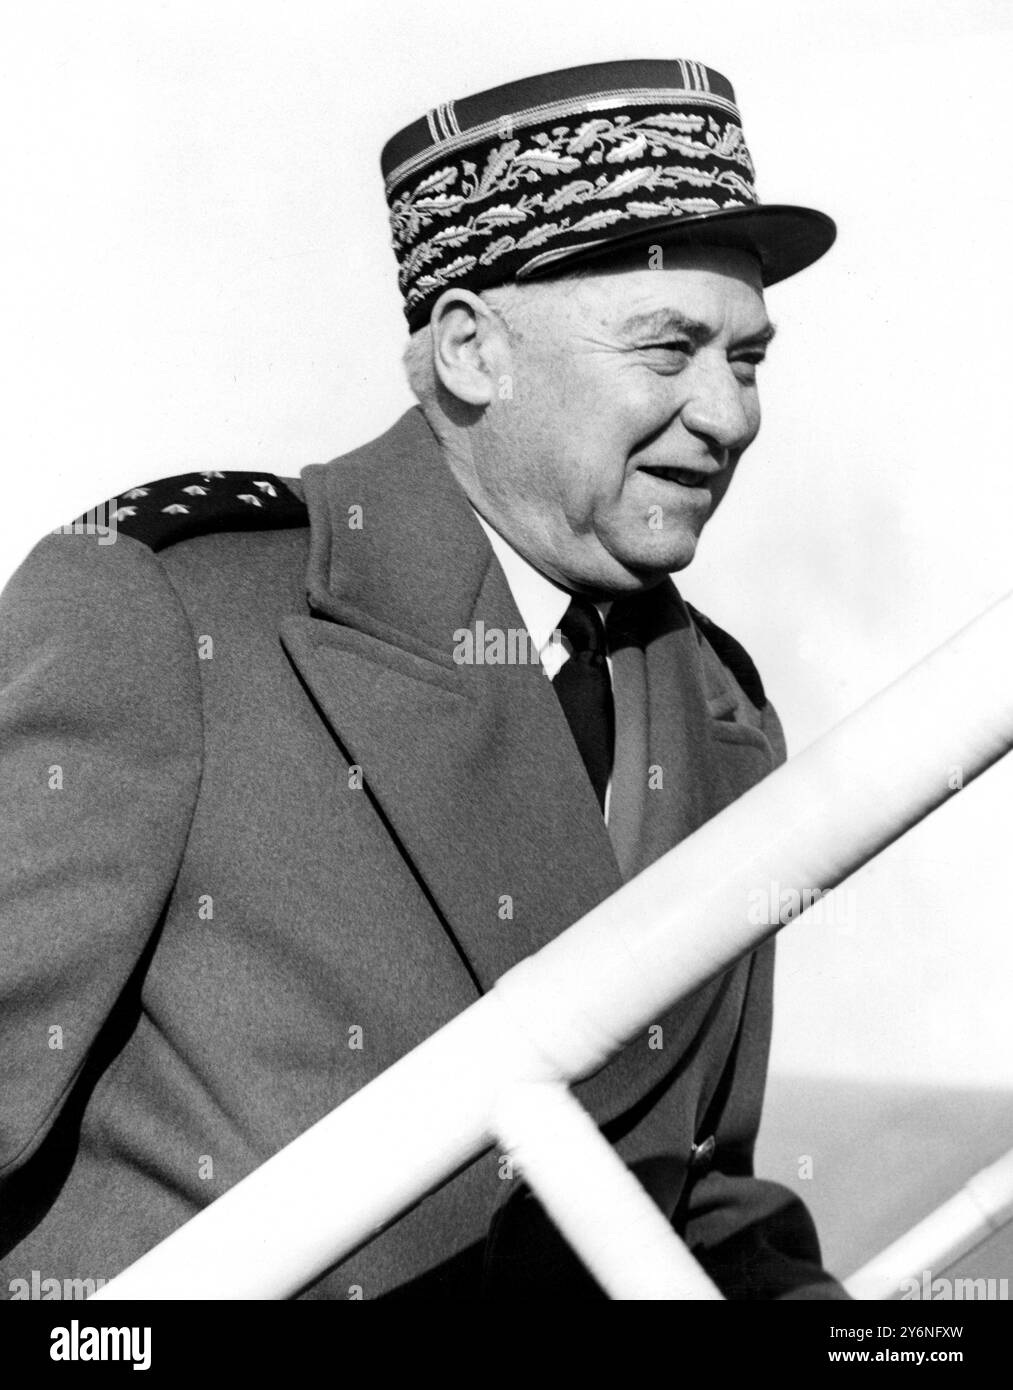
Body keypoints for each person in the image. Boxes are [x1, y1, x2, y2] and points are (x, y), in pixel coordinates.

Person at [0, 58, 847, 1300]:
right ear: (469, 349)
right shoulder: (177, 615)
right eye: (668, 349)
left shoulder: (719, 719)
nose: (728, 414)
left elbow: (689, 1192)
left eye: (748, 358)